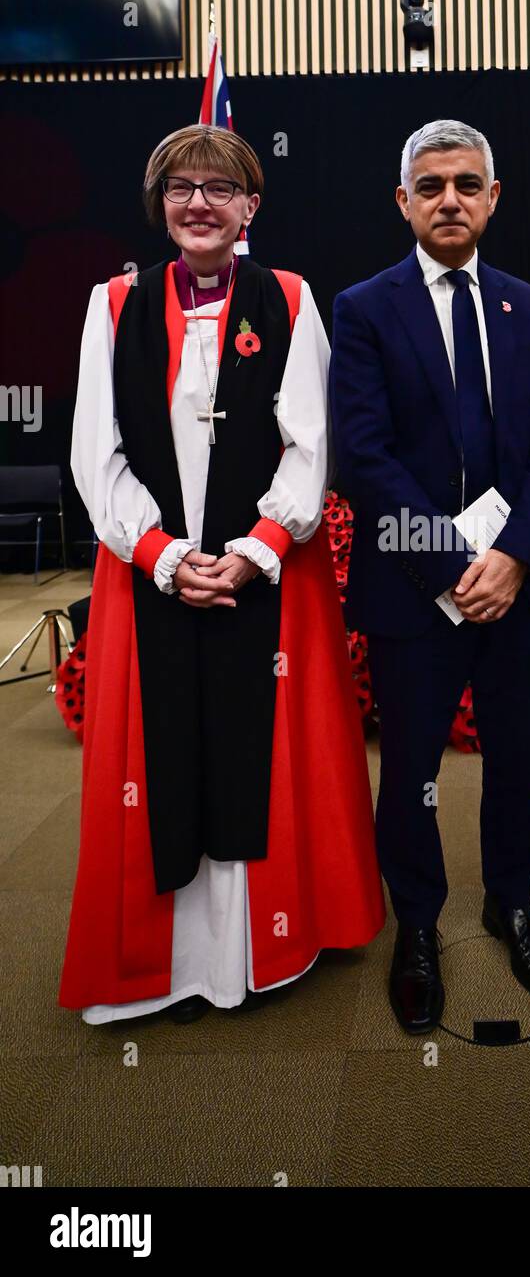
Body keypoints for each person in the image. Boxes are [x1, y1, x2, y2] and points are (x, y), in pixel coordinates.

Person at [59, 124, 384, 1025]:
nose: (197, 203)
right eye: (179, 188)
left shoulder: (287, 296)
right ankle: (167, 966)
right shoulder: (114, 305)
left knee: (263, 752)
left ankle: (254, 955)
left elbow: (312, 442)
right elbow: (96, 452)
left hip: (265, 584)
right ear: (160, 206)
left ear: (250, 206)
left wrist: (255, 551)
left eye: (218, 187)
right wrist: (159, 554)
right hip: (150, 575)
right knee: (156, 763)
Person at [329, 120, 530, 1034]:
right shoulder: (362, 308)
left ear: (494, 197)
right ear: (403, 201)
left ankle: (512, 905)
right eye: (430, 185)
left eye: (467, 184)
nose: (449, 200)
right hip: (412, 590)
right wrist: (450, 563)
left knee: (520, 761)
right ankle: (419, 925)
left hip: (514, 588)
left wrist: (510, 557)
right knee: (412, 774)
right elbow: (362, 454)